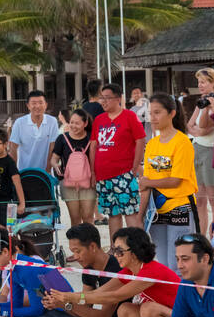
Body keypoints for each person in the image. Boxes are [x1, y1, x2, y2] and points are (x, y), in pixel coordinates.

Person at [47, 225, 179, 317]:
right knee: (125, 310)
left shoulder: (150, 270)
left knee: (146, 309)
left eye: (120, 251)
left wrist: (71, 299)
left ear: (135, 252)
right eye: (114, 250)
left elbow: (113, 298)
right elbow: (98, 294)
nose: (115, 255)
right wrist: (65, 299)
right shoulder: (128, 270)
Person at [137, 94, 197, 272]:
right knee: (162, 264)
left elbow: (175, 180)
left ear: (171, 113)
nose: (152, 118)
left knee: (178, 265)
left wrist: (149, 182)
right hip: (156, 211)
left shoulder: (182, 142)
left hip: (179, 208)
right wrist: (140, 217)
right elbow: (146, 185)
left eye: (157, 113)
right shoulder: (153, 144)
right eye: (150, 113)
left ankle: (181, 299)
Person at [92, 82, 147, 236]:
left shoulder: (129, 116)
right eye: (102, 98)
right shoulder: (99, 120)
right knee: (113, 214)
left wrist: (135, 167)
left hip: (124, 174)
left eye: (107, 98)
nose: (104, 101)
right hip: (103, 176)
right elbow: (94, 145)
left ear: (118, 99)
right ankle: (116, 247)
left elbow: (141, 140)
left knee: (130, 212)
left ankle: (136, 247)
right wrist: (93, 171)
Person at [187, 69, 214, 240]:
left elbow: (210, 126)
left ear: (213, 83)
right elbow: (190, 125)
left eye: (203, 82)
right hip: (197, 148)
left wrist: (200, 130)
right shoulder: (200, 102)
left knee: (213, 199)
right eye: (199, 82)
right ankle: (201, 236)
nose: (200, 85)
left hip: (211, 150)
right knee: (199, 199)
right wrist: (199, 131)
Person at [51, 109, 96, 227]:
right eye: (71, 122)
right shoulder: (62, 139)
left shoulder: (91, 139)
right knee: (75, 219)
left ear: (85, 124)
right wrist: (55, 165)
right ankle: (77, 245)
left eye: (77, 123)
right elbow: (54, 158)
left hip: (89, 183)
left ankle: (90, 244)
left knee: (88, 217)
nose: (73, 126)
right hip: (68, 183)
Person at [8, 90, 60, 174]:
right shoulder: (19, 123)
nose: (37, 106)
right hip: (24, 171)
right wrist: (14, 172)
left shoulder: (52, 121)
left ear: (46, 105)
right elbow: (13, 148)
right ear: (28, 106)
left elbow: (52, 147)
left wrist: (47, 170)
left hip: (44, 172)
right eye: (34, 103)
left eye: (40, 102)